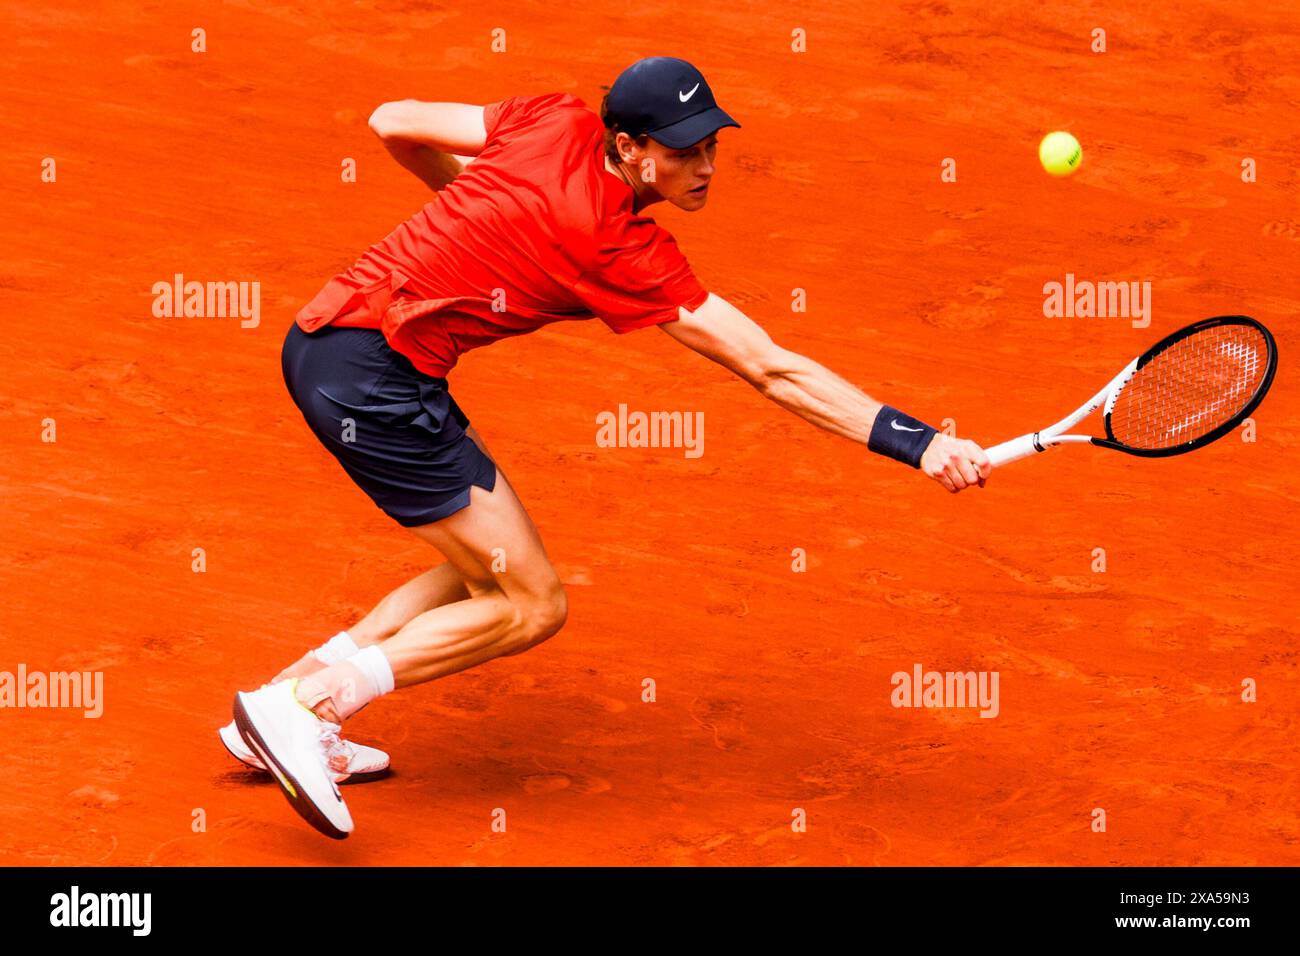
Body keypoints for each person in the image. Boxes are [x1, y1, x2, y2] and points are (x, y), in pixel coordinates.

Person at [224, 56, 992, 839]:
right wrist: (920, 443)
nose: (705, 167)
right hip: (373, 381)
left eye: (712, 146)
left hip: (333, 344)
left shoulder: (549, 117)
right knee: (531, 603)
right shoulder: (615, 244)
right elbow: (771, 368)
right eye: (683, 151)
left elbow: (393, 119)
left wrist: (481, 208)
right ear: (626, 148)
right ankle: (306, 709)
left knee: (484, 566)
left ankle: (278, 702)